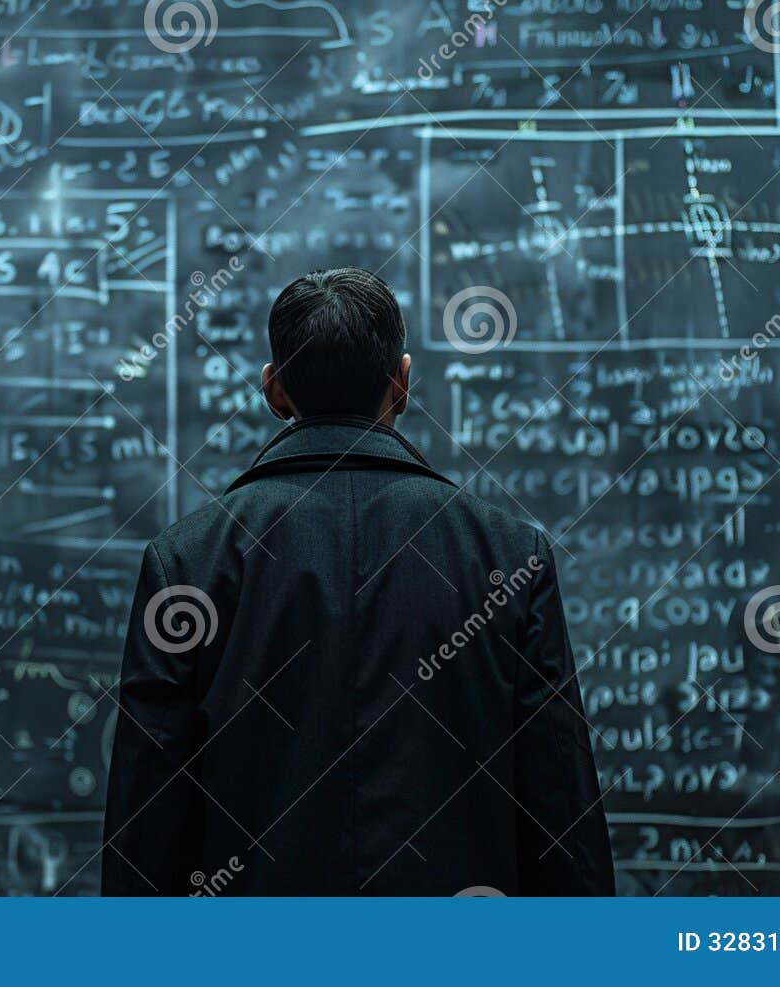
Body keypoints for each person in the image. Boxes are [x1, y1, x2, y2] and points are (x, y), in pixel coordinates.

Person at [102, 267, 614, 895]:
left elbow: (146, 828)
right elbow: (562, 816)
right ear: (402, 383)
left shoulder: (185, 563)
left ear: (274, 391)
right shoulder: (510, 555)